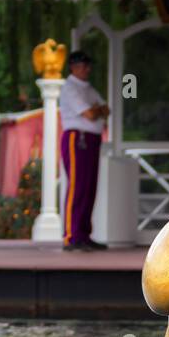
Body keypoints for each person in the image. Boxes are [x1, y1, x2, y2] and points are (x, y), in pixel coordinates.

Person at [59, 50, 108, 251]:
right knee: (77, 186)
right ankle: (71, 235)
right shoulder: (70, 87)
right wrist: (96, 109)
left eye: (88, 65)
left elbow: (106, 109)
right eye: (83, 65)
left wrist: (97, 110)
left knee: (89, 187)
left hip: (92, 139)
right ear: (73, 67)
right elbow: (89, 114)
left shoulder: (88, 88)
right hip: (76, 138)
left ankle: (83, 233)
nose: (87, 69)